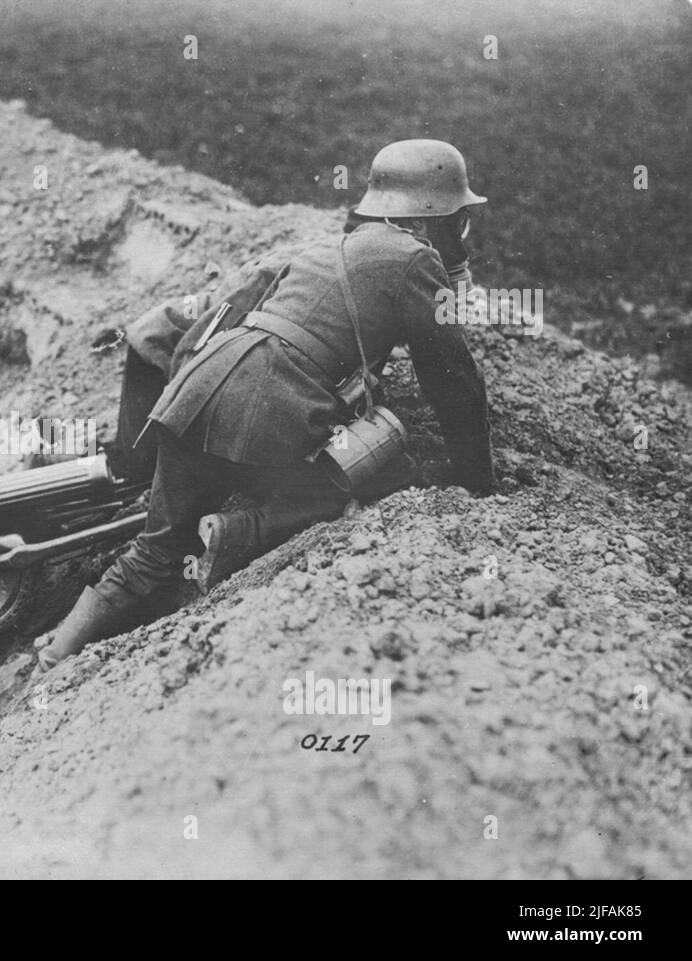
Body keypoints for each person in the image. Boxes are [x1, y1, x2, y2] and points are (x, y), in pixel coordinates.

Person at [38, 139, 495, 672]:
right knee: (369, 480)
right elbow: (451, 379)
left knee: (153, 553)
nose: (461, 234)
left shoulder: (325, 249)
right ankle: (233, 533)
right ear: (431, 217)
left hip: (194, 393)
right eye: (459, 220)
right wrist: (478, 483)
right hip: (268, 412)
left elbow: (222, 323)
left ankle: (53, 657)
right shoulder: (414, 260)